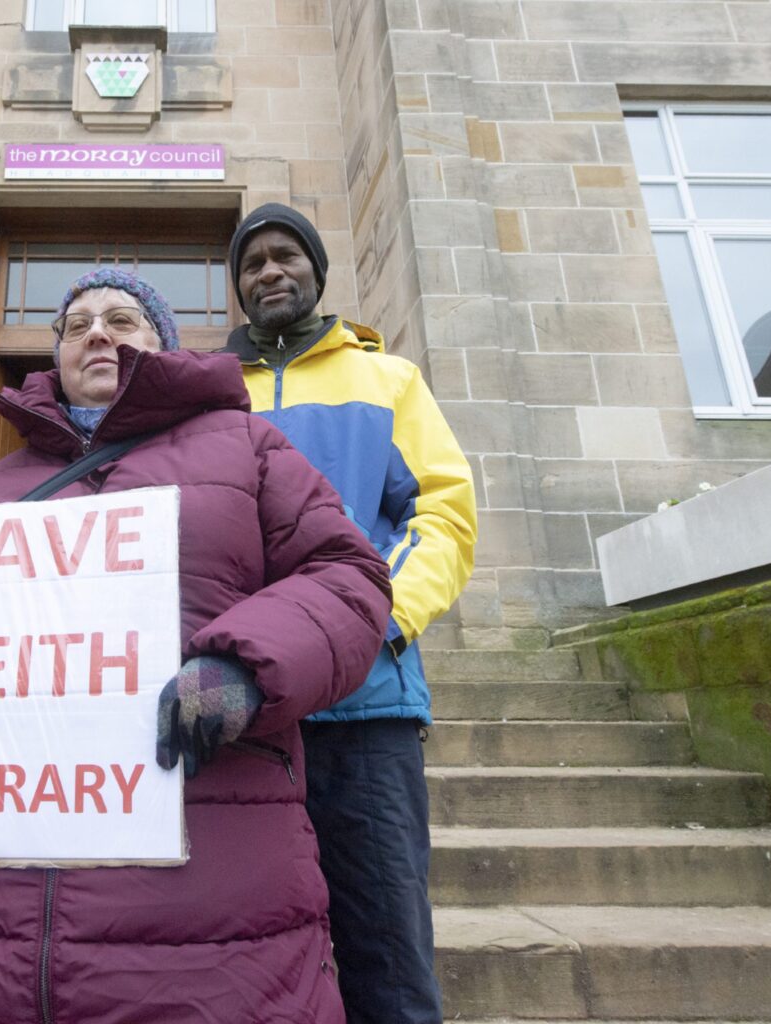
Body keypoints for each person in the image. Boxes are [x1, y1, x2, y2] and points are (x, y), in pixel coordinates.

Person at [0, 267, 392, 1024]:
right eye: (77, 323)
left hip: (205, 871)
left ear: (162, 345)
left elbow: (347, 577)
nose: (97, 333)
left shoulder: (248, 445)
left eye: (122, 320)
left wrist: (244, 664)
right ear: (54, 355)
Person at [222, 203, 479, 1024]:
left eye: (285, 256)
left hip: (363, 706)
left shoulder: (387, 379)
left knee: (387, 956)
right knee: (246, 957)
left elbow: (441, 515)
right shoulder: (210, 397)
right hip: (240, 712)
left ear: (317, 271)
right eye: (252, 262)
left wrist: (373, 622)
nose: (269, 271)